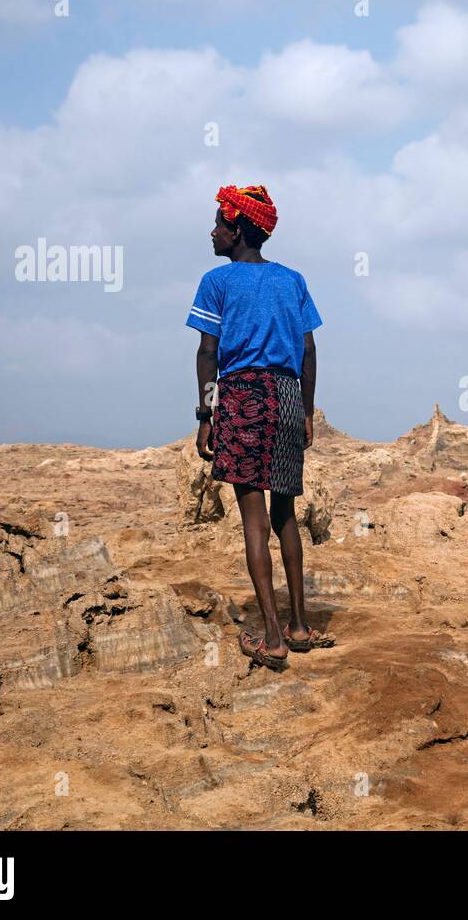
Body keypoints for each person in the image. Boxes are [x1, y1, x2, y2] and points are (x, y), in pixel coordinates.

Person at [186, 184, 334, 670]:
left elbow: (208, 354)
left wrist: (207, 414)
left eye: (219, 224)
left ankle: (272, 638)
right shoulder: (292, 280)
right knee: (284, 514)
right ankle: (298, 624)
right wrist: (307, 412)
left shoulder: (216, 282)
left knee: (253, 520)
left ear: (239, 229)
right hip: (288, 396)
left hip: (243, 396)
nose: (212, 232)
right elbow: (309, 351)